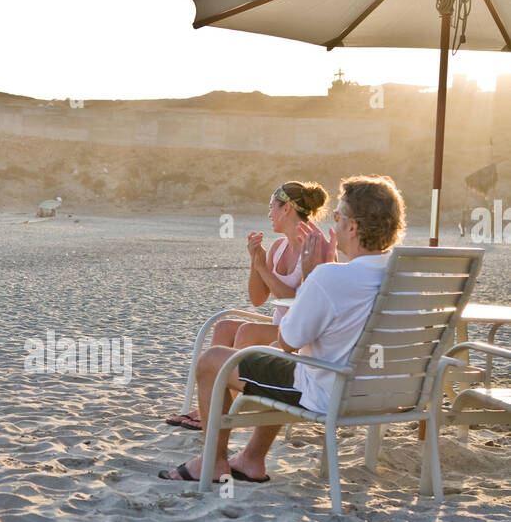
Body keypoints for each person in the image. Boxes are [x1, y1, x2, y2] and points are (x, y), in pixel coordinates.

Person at [159, 176, 406, 484]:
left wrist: (314, 274)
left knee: (213, 361)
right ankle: (251, 459)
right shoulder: (409, 279)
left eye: (339, 217)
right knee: (273, 364)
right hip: (393, 395)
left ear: (353, 227)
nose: (335, 223)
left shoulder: (331, 276)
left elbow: (288, 341)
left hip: (330, 393)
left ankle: (213, 462)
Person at [166, 181, 333, 430]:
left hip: (303, 333)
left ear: (286, 208)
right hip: (282, 326)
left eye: (271, 207)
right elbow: (257, 299)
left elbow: (300, 301)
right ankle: (212, 405)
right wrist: (256, 262)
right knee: (224, 326)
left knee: (247, 331)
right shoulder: (279, 247)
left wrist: (264, 269)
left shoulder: (314, 245)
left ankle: (225, 409)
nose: (269, 214)